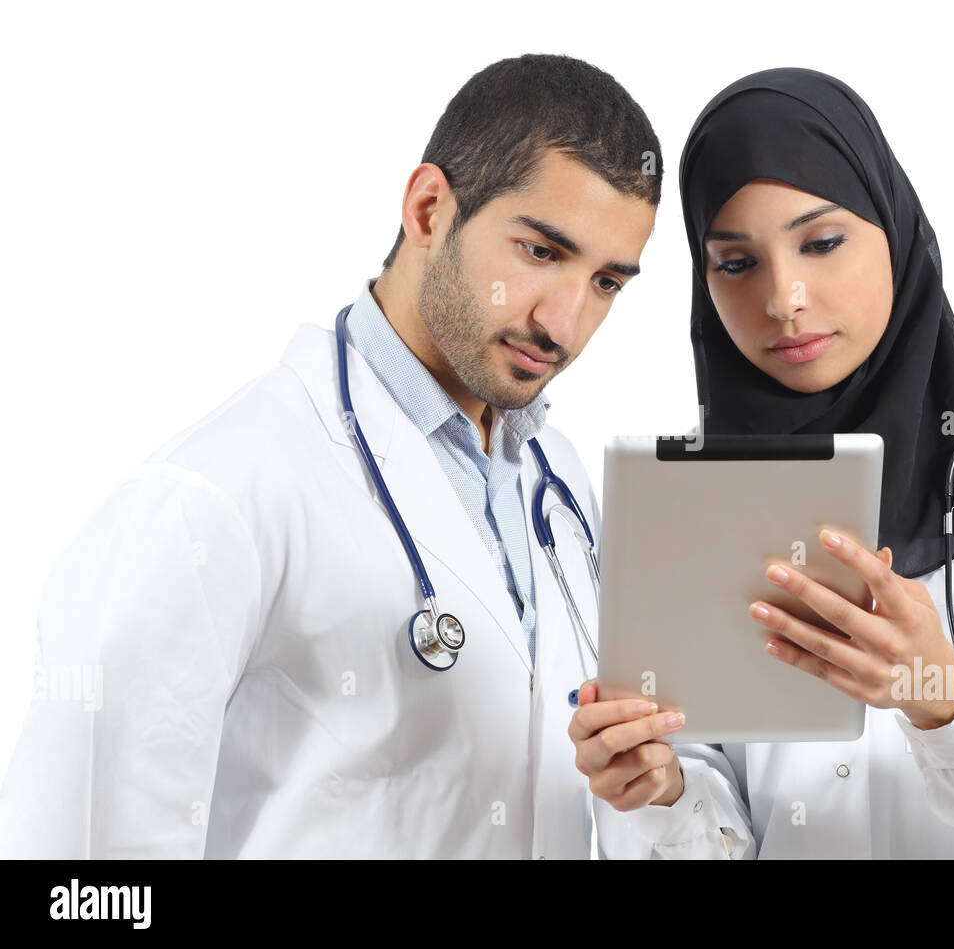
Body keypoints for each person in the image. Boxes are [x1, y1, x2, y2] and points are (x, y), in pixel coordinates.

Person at [0, 53, 662, 858]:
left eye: (607, 284)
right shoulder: (219, 495)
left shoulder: (558, 484)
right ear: (428, 211)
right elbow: (81, 863)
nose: (565, 323)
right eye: (540, 253)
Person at [571, 67, 954, 859]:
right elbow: (715, 833)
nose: (785, 299)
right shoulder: (687, 496)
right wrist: (665, 792)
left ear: (892, 223)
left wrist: (940, 693)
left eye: (822, 242)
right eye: (736, 264)